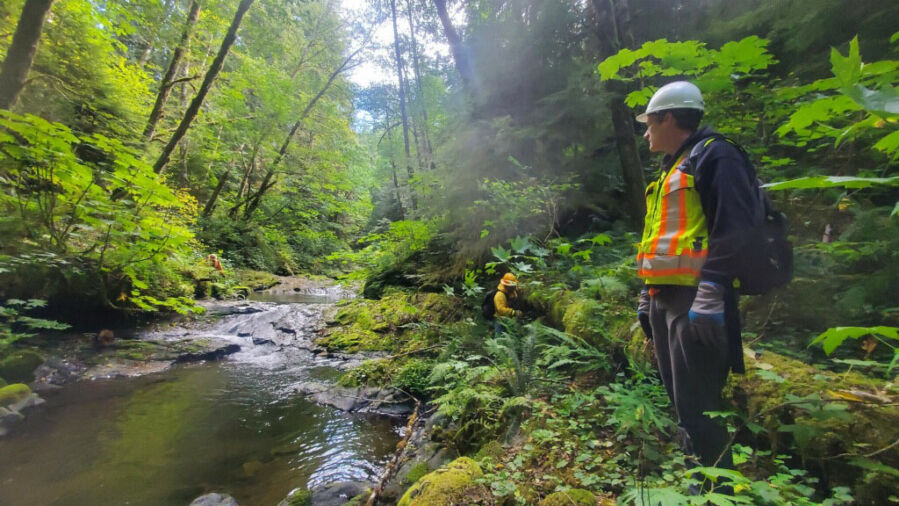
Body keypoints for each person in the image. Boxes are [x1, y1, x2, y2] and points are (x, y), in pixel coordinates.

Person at [634, 81, 763, 476]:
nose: (645, 133)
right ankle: (700, 479)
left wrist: (711, 290)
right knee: (682, 403)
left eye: (649, 123)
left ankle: (715, 489)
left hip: (696, 302)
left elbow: (736, 228)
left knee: (699, 406)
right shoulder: (672, 168)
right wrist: (647, 294)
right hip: (665, 299)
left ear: (669, 118)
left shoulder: (716, 155)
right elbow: (660, 238)